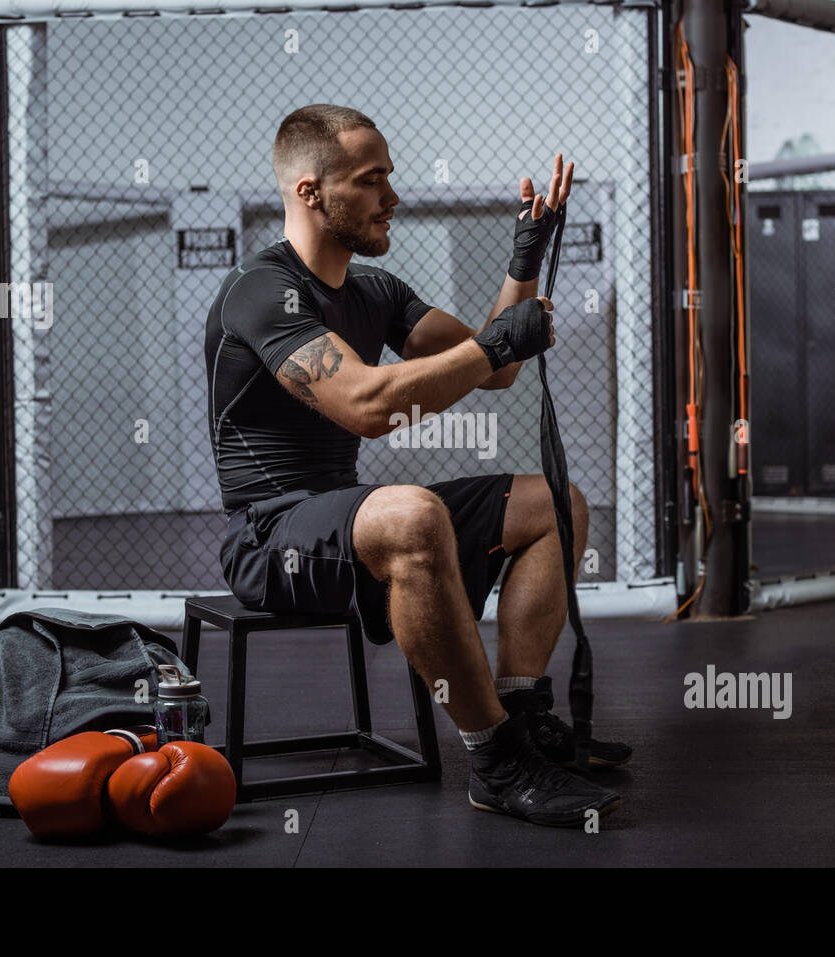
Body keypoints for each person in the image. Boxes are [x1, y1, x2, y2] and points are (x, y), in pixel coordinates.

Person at [206, 103, 631, 827]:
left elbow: (493, 371)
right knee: (410, 511)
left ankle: (522, 714)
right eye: (371, 182)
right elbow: (367, 403)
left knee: (555, 503)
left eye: (389, 178)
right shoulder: (261, 291)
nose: (392, 198)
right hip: (269, 538)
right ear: (310, 191)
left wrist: (522, 261)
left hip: (345, 524)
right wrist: (497, 346)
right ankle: (495, 758)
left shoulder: (376, 292)